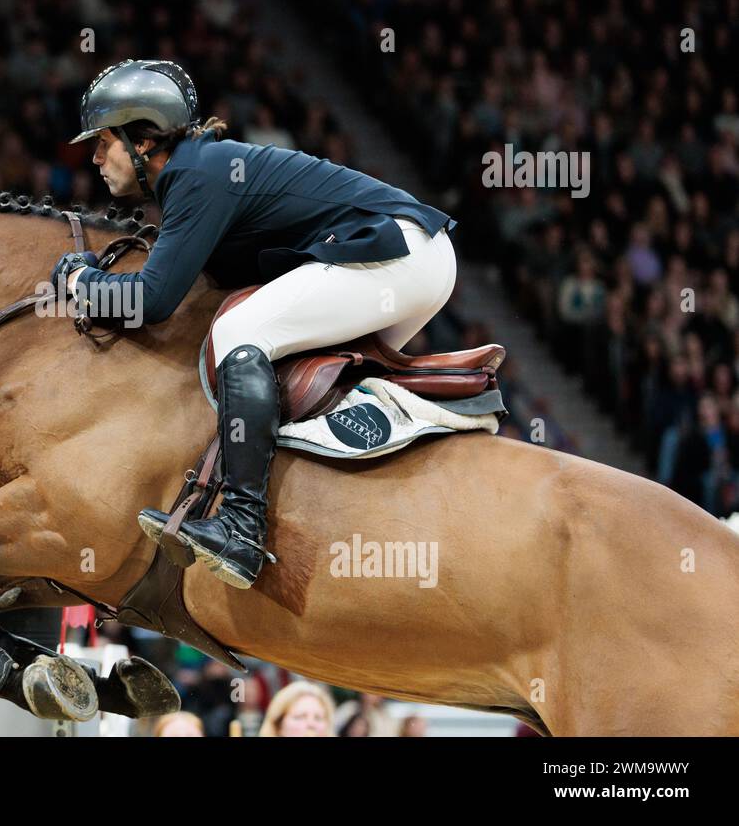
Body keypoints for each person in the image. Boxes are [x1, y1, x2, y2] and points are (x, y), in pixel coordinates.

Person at [51, 59, 458, 590]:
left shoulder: (193, 174)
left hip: (395, 254)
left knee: (241, 335)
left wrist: (80, 284)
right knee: (295, 383)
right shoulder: (202, 171)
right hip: (415, 261)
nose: (96, 157)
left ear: (145, 139)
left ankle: (242, 527)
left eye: (104, 142)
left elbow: (152, 300)